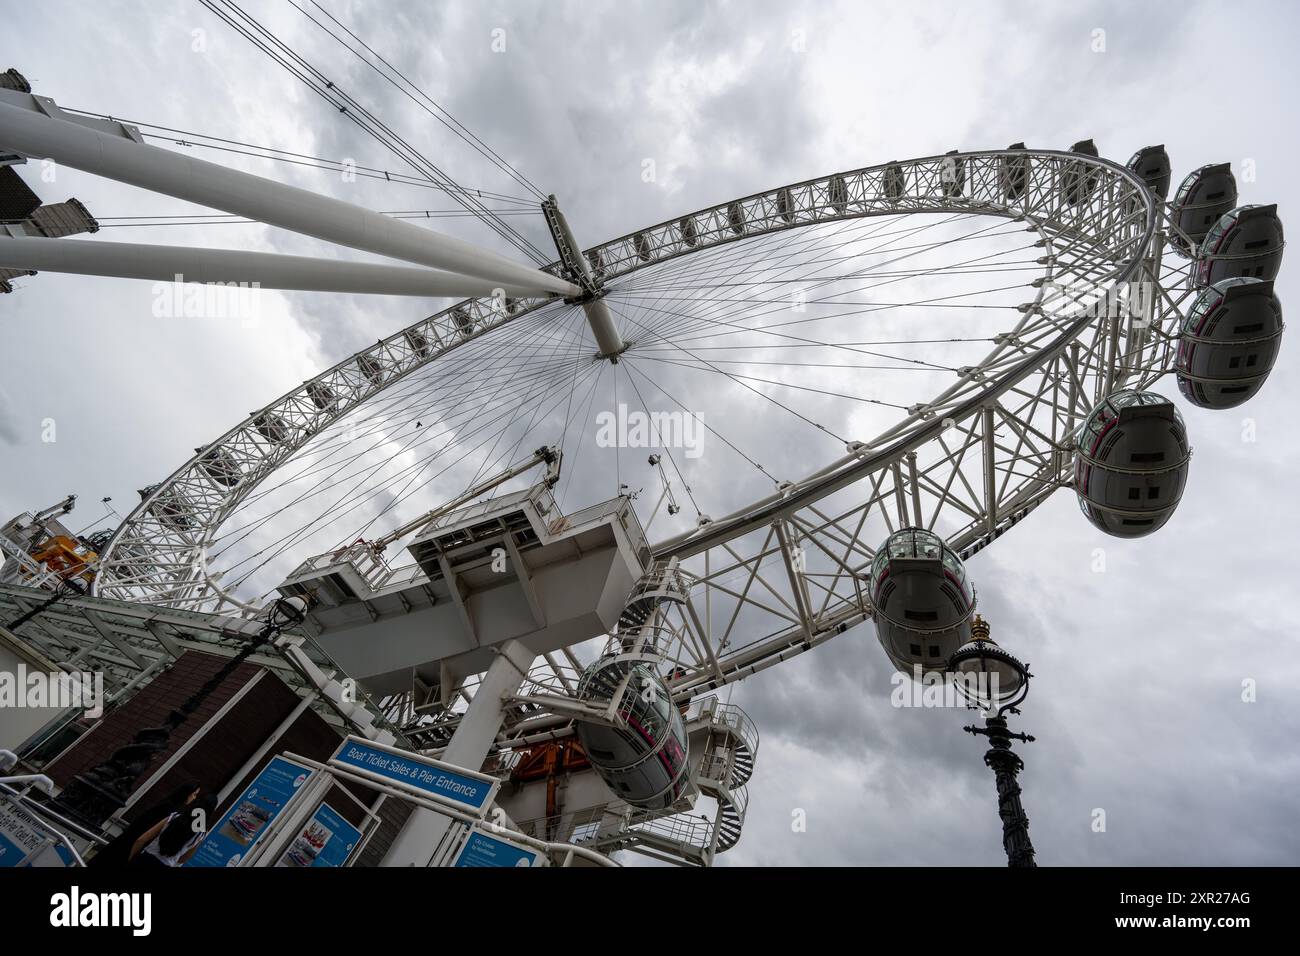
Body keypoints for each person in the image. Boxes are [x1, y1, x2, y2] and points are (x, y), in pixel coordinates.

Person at [88, 781, 201, 868]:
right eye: (194, 794)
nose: (194, 798)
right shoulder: (169, 811)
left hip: (125, 843)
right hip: (128, 847)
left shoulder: (167, 806)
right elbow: (144, 834)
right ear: (187, 793)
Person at [128, 793, 218, 868]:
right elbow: (184, 858)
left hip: (144, 859)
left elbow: (141, 840)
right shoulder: (200, 834)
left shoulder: (174, 817)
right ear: (210, 812)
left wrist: (131, 859)